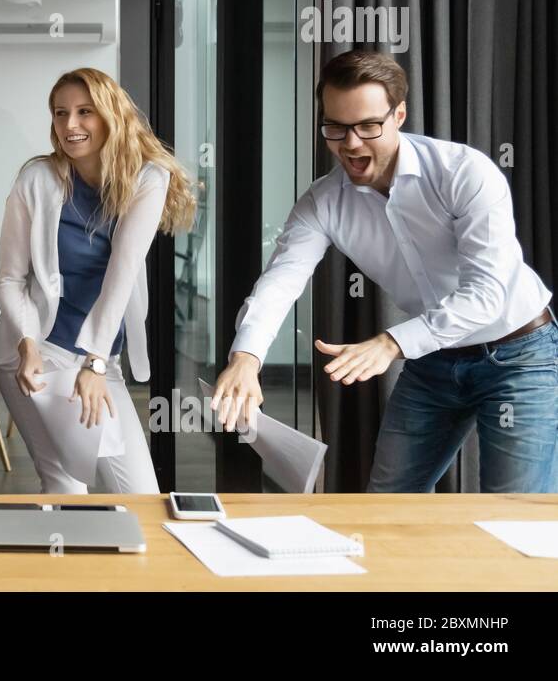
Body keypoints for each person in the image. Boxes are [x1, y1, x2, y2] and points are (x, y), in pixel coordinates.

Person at [212, 50, 556, 492]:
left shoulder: (463, 172)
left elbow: (487, 293)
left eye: (368, 127)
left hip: (518, 353)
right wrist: (245, 358)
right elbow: (280, 282)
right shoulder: (324, 201)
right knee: (388, 501)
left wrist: (391, 342)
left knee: (514, 514)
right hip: (432, 359)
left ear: (399, 115)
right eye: (335, 127)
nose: (351, 144)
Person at [0, 68, 195, 493]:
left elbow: (123, 270)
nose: (70, 126)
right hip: (32, 355)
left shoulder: (147, 179)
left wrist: (95, 362)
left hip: (96, 358)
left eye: (84, 112)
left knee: (140, 497)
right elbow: (9, 278)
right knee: (63, 486)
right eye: (61, 114)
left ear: (110, 116)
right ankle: (57, 555)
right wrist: (26, 343)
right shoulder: (37, 179)